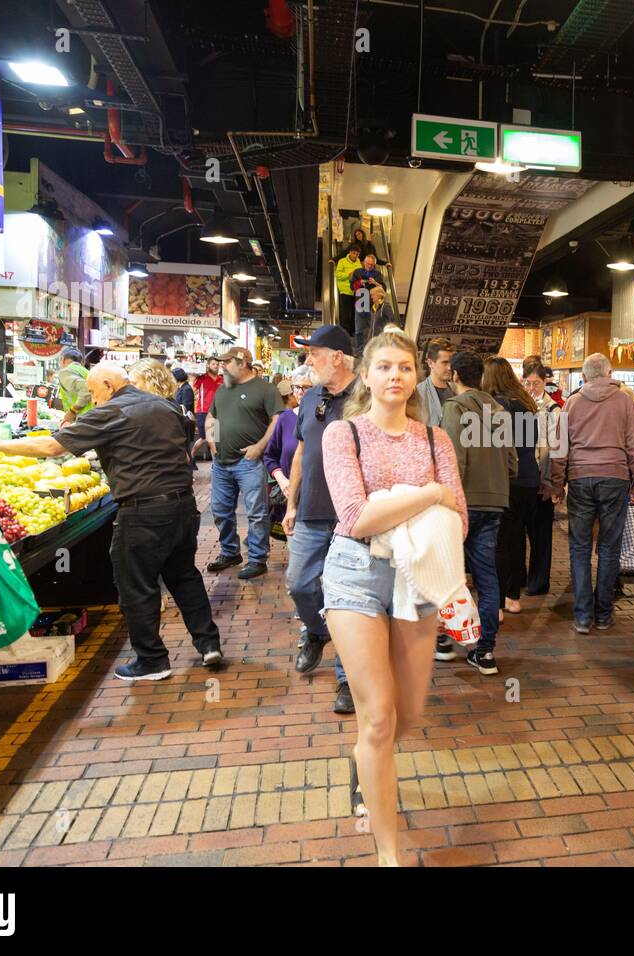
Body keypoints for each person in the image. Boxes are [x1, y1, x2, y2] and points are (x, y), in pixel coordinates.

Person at [0, 365, 223, 681]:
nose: (93, 400)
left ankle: (152, 660)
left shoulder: (110, 411)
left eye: (94, 392)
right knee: (184, 576)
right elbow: (183, 449)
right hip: (183, 505)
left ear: (108, 384)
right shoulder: (165, 404)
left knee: (135, 585)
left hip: (142, 512)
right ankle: (209, 644)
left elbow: (51, 447)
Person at [321, 330, 466, 865]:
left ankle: (365, 758)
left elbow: (461, 520)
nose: (395, 376)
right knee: (379, 718)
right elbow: (355, 518)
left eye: (404, 367)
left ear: (416, 375)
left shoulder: (436, 440)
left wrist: (400, 506)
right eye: (384, 367)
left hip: (419, 581)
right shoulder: (344, 435)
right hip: (354, 576)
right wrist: (427, 495)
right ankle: (389, 853)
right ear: (366, 375)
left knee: (407, 715)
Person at [281, 325, 359, 714]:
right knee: (299, 582)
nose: (308, 360)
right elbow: (299, 452)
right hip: (311, 508)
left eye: (314, 353)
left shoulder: (365, 398)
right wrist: (291, 504)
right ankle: (316, 631)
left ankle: (347, 678)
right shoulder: (311, 396)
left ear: (338, 357)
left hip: (351, 517)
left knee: (345, 597)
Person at [546, 353, 634, 633]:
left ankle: (582, 616)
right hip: (615, 478)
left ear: (585, 375)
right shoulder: (625, 402)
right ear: (610, 373)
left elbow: (559, 450)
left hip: (580, 478)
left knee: (579, 548)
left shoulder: (572, 403)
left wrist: (557, 485)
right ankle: (603, 614)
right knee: (609, 548)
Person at [440, 352, 517, 674]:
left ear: (455, 375)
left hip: (461, 503)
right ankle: (485, 652)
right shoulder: (499, 410)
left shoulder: (454, 408)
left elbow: (454, 459)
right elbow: (512, 462)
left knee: (447, 576)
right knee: (487, 576)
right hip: (495, 501)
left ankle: (444, 642)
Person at [206, 347, 285, 580]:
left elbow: (277, 420)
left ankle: (258, 558)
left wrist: (260, 446)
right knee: (220, 510)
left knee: (256, 512)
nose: (222, 366)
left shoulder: (265, 389)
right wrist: (213, 439)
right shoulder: (223, 389)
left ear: (242, 363)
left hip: (249, 462)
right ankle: (230, 552)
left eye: (226, 362)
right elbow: (213, 417)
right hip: (221, 463)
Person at [485, 357, 541, 617]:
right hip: (529, 479)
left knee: (499, 542)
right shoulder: (527, 404)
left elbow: (494, 448)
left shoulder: (496, 407)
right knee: (516, 538)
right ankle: (513, 597)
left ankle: (496, 604)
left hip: (506, 480)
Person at [521, 359, 561, 595]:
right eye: (528, 382)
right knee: (523, 532)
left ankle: (539, 581)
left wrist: (550, 483)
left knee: (541, 535)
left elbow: (551, 448)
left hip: (541, 479)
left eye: (536, 382)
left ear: (545, 381)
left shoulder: (552, 409)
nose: (532, 387)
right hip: (525, 478)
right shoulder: (522, 405)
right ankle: (524, 578)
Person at [351, 253, 387, 355]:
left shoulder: (378, 274)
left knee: (374, 328)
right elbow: (352, 287)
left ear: (374, 265)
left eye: (372, 265)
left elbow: (383, 288)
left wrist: (375, 283)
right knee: (358, 329)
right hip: (360, 302)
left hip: (373, 304)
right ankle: (359, 350)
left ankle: (371, 350)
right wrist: (360, 283)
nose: (369, 266)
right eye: (368, 264)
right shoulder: (357, 272)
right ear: (364, 262)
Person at [415, 338, 455, 427]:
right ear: (430, 363)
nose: (449, 367)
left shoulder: (457, 390)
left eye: (451, 362)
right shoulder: (418, 394)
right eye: (444, 363)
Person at [192, 356, 224, 460]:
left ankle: (215, 464)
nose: (216, 366)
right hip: (203, 411)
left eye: (217, 364)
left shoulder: (222, 379)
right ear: (208, 365)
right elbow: (194, 389)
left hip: (217, 412)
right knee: (204, 438)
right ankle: (191, 456)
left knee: (215, 439)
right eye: (213, 364)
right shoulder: (201, 378)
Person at [57, 348, 93, 424]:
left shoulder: (66, 371)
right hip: (91, 418)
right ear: (81, 362)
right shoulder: (85, 371)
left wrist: (72, 411)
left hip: (83, 420)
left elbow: (86, 390)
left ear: (63, 359)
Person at [334, 245, 362, 342]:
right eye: (354, 253)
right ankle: (345, 333)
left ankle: (353, 331)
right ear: (350, 252)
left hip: (356, 290)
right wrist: (349, 274)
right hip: (345, 291)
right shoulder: (342, 261)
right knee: (345, 313)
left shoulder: (358, 262)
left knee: (355, 312)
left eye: (357, 254)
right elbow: (338, 275)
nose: (355, 256)